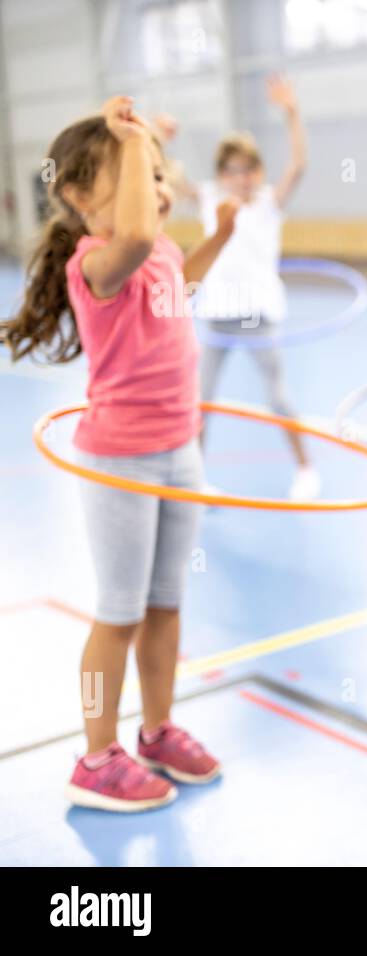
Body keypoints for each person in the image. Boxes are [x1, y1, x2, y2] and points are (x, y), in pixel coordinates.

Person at [1, 97, 238, 810]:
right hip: (121, 462)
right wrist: (137, 143)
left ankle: (158, 730)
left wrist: (220, 237)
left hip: (179, 450)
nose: (158, 190)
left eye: (161, 175)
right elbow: (133, 232)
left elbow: (175, 288)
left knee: (165, 605)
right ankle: (97, 756)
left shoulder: (158, 250)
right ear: (77, 198)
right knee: (120, 613)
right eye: (142, 175)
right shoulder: (95, 264)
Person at [167, 76, 318, 500]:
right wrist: (161, 138)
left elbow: (300, 167)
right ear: (220, 174)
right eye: (232, 169)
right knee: (201, 401)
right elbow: (171, 178)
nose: (241, 177)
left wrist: (292, 114)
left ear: (259, 172)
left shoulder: (269, 203)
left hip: (258, 315)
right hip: (216, 317)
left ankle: (305, 471)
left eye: (249, 168)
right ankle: (193, 480)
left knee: (278, 397)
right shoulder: (209, 197)